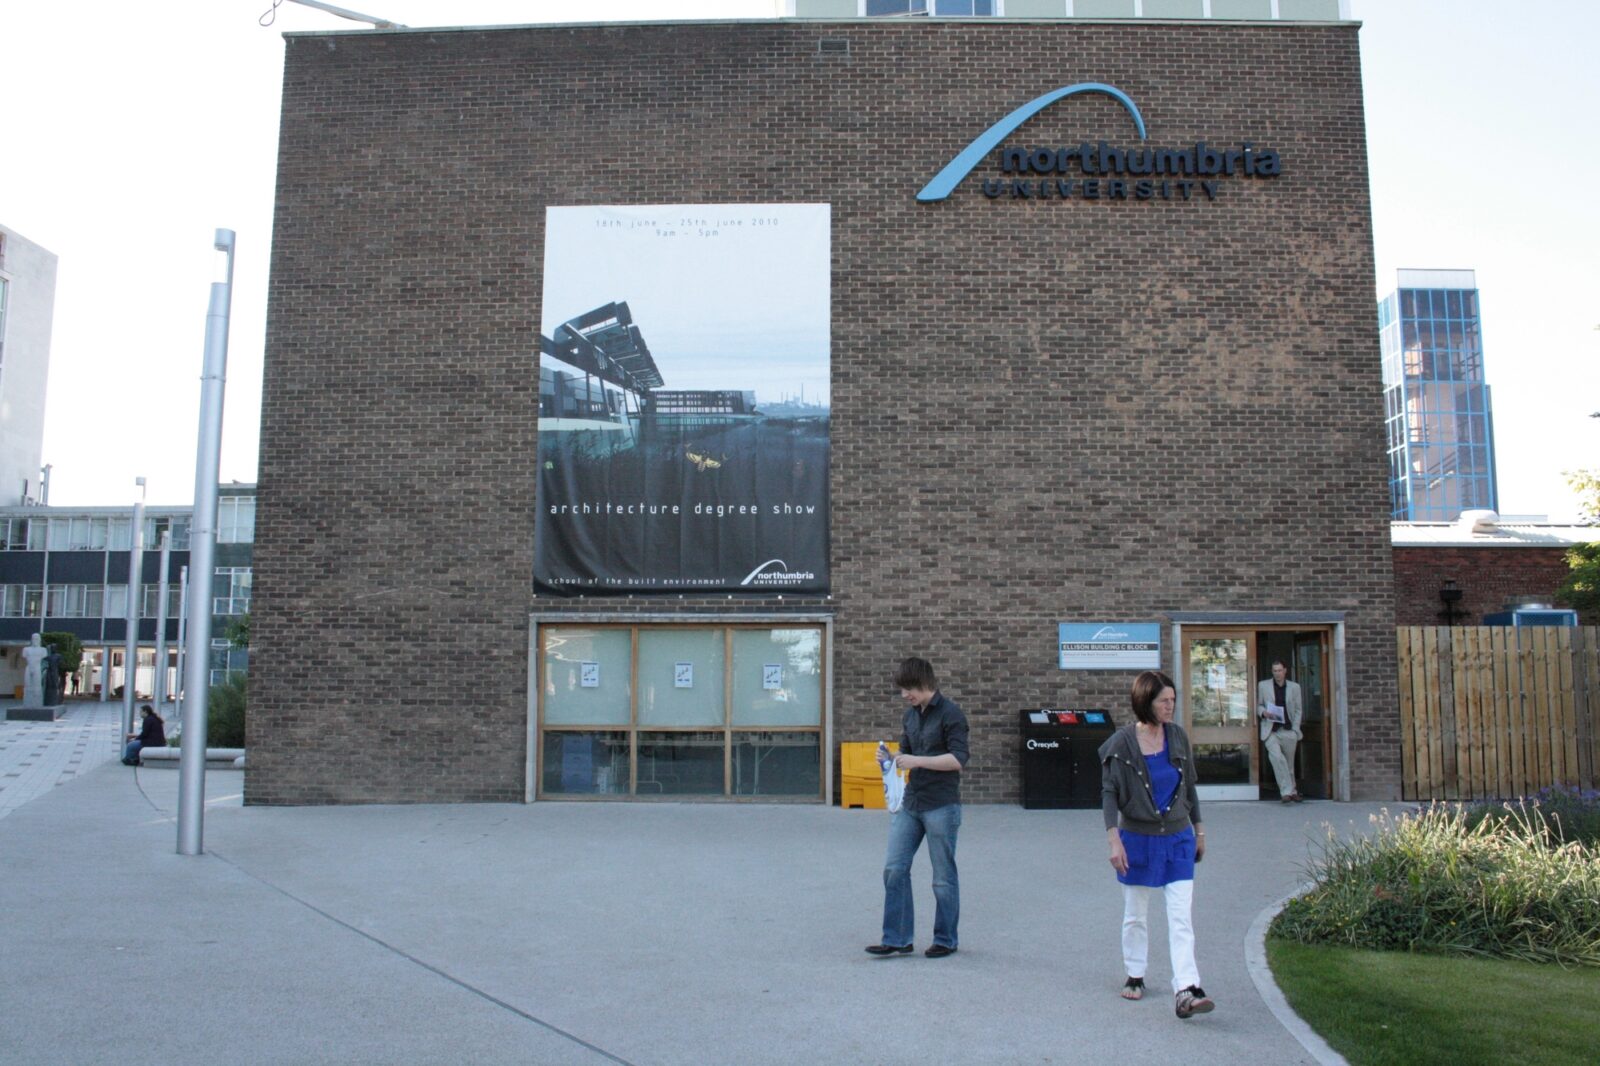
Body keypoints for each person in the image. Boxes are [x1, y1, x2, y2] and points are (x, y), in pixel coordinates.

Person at [1100, 670, 1213, 1020]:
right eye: (1164, 701)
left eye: (1173, 700)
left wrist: (1199, 830)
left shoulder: (1177, 737)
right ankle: (1135, 973)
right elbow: (1109, 793)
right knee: (1136, 914)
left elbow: (1189, 786)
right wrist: (1113, 839)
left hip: (1177, 837)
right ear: (1144, 702)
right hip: (1138, 839)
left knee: (1181, 917)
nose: (1170, 706)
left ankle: (1187, 988)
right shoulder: (1121, 743)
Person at [863, 656, 970, 959]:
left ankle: (946, 939)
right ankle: (897, 938)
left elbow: (958, 759)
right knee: (894, 869)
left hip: (942, 805)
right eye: (901, 690)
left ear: (924, 683)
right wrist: (890, 757)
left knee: (942, 876)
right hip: (911, 802)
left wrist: (917, 761)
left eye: (907, 688)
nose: (904, 695)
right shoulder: (910, 716)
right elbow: (905, 754)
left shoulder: (952, 715)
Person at [1256, 660, 1304, 803]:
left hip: (1288, 730)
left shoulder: (1295, 687)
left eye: (1279, 670)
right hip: (1271, 730)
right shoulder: (1263, 686)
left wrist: (1295, 729)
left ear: (1285, 671)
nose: (1277, 673)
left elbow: (1298, 709)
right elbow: (1258, 705)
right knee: (1277, 758)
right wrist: (1264, 712)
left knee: (1289, 764)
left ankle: (1292, 791)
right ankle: (1285, 792)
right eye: (1274, 671)